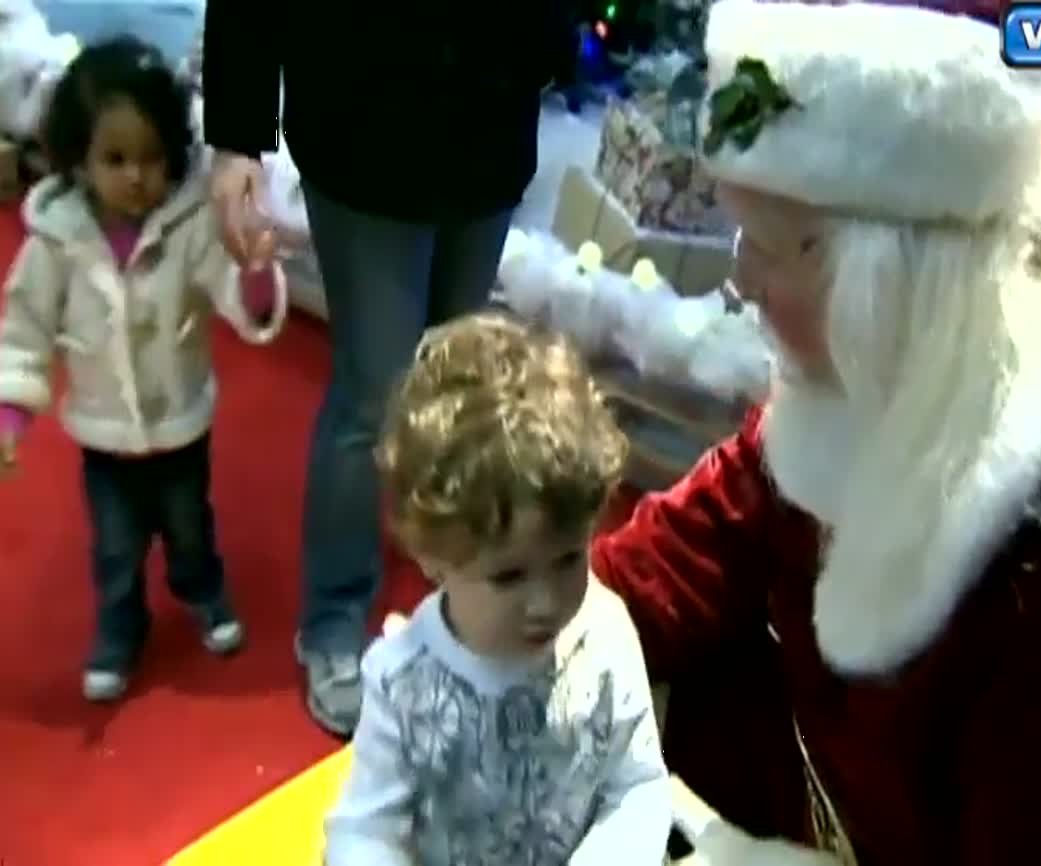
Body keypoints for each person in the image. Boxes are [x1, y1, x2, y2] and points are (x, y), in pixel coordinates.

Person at [590, 3, 1041, 864]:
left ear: (883, 270)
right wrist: (567, 628)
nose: (741, 279)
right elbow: (757, 489)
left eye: (773, 247)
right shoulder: (927, 322)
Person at [201, 1, 577, 736]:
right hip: (363, 118)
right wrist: (237, 134)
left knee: (460, 387)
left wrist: (548, 47)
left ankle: (461, 584)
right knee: (375, 395)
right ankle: (334, 618)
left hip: (491, 114)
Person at [324, 312, 670, 865]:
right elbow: (364, 830)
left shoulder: (606, 632)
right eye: (509, 576)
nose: (546, 602)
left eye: (568, 559)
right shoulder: (403, 680)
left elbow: (638, 785)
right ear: (433, 557)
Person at [0, 35, 286, 702]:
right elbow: (24, 330)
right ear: (79, 158)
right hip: (103, 433)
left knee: (189, 525)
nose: (136, 177)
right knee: (115, 546)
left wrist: (253, 276)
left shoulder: (188, 227)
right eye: (115, 159)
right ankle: (120, 626)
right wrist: (11, 412)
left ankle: (202, 589)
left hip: (180, 421)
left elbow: (233, 295)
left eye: (152, 159)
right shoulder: (57, 242)